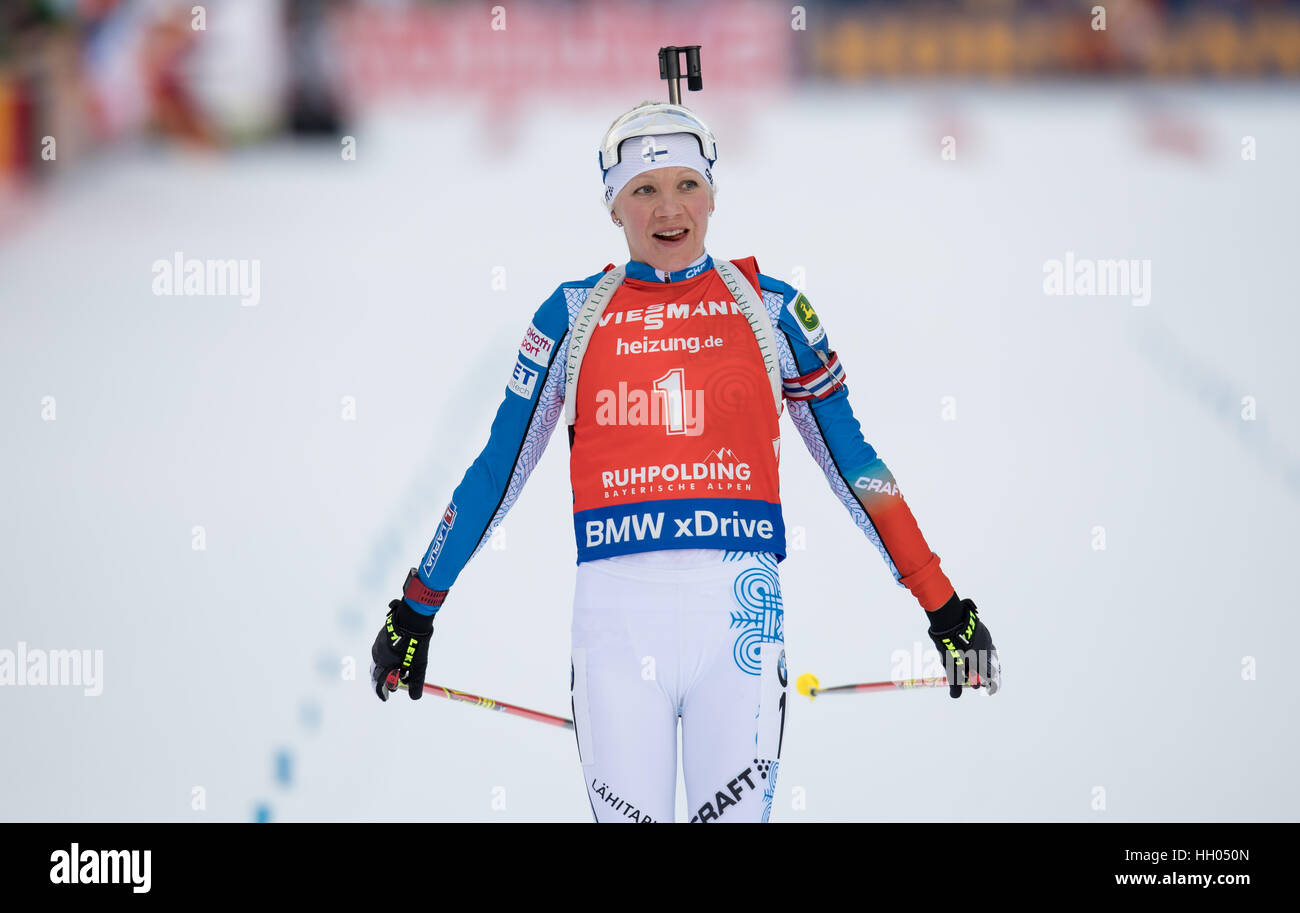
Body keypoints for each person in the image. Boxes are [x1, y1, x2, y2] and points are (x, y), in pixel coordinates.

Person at [371, 101, 1001, 823]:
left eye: (687, 186)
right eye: (644, 190)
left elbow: (856, 467)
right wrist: (414, 610)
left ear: (712, 193)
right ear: (613, 205)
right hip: (615, 628)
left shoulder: (771, 308)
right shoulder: (571, 316)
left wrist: (943, 606)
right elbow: (496, 473)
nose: (669, 210)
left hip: (737, 622)